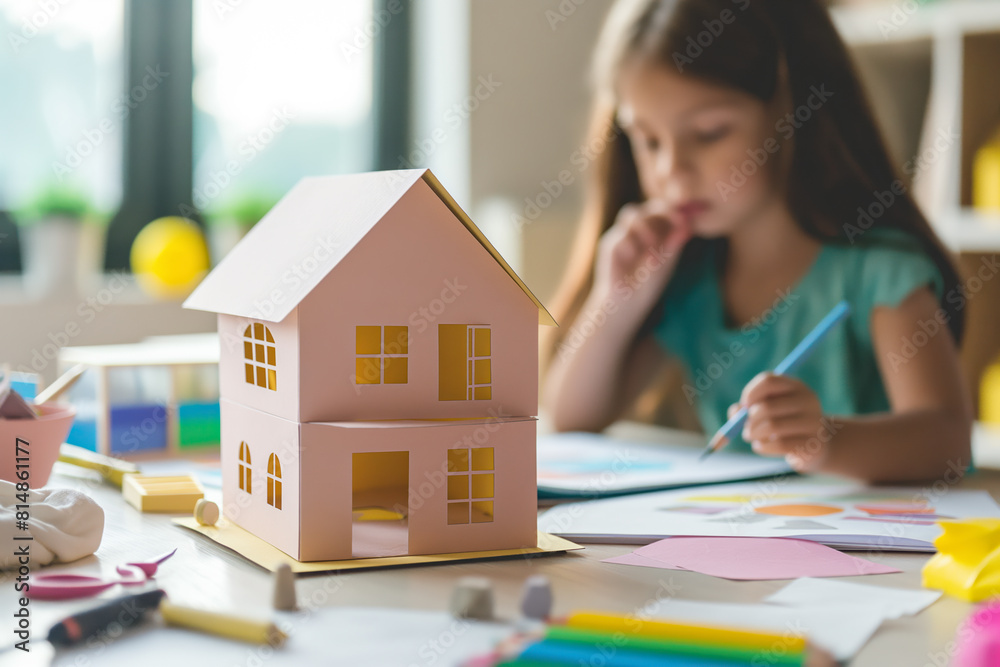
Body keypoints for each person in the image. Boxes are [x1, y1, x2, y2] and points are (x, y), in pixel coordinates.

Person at [543, 0, 972, 483]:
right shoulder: (688, 273)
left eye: (708, 134)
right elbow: (573, 418)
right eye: (647, 140)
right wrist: (615, 303)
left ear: (796, 114)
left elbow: (946, 441)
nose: (670, 171)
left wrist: (825, 440)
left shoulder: (880, 273)